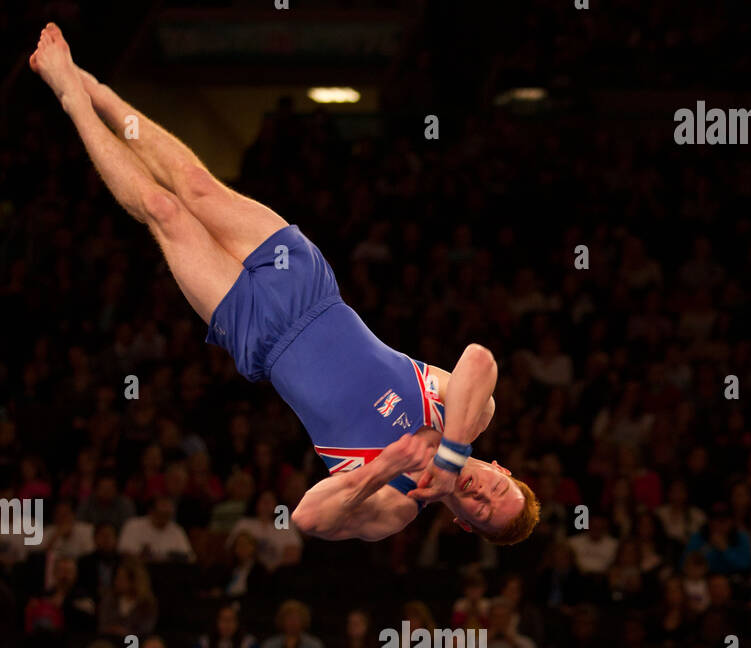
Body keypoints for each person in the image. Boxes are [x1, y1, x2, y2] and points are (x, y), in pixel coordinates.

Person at [31, 27, 538, 547]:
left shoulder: (399, 506)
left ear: (464, 523)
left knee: (166, 213)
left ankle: (73, 100)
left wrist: (382, 467)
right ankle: (98, 89)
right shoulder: (469, 418)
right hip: (312, 288)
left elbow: (307, 519)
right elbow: (480, 359)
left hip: (260, 337)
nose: (482, 494)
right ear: (499, 466)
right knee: (197, 184)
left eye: (482, 511)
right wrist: (451, 457)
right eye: (498, 489)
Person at [186, 601, 260, 648]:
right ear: (216, 621)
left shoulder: (248, 642)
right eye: (223, 619)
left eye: (231, 619)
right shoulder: (205, 641)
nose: (227, 624)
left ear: (238, 622)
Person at [118, 495, 195, 562]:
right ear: (151, 511)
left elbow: (189, 557)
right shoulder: (133, 526)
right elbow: (124, 552)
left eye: (168, 515)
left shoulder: (177, 530)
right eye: (162, 514)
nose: (165, 519)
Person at [260, 600, 327, 648]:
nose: (292, 622)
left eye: (296, 619)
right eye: (289, 619)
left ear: (304, 620)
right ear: (282, 620)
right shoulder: (269, 645)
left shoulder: (315, 646)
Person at [97, 558, 158, 637]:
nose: (116, 582)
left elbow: (146, 630)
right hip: (110, 643)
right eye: (116, 578)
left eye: (121, 579)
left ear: (134, 581)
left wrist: (127, 633)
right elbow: (102, 625)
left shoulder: (147, 604)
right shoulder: (109, 599)